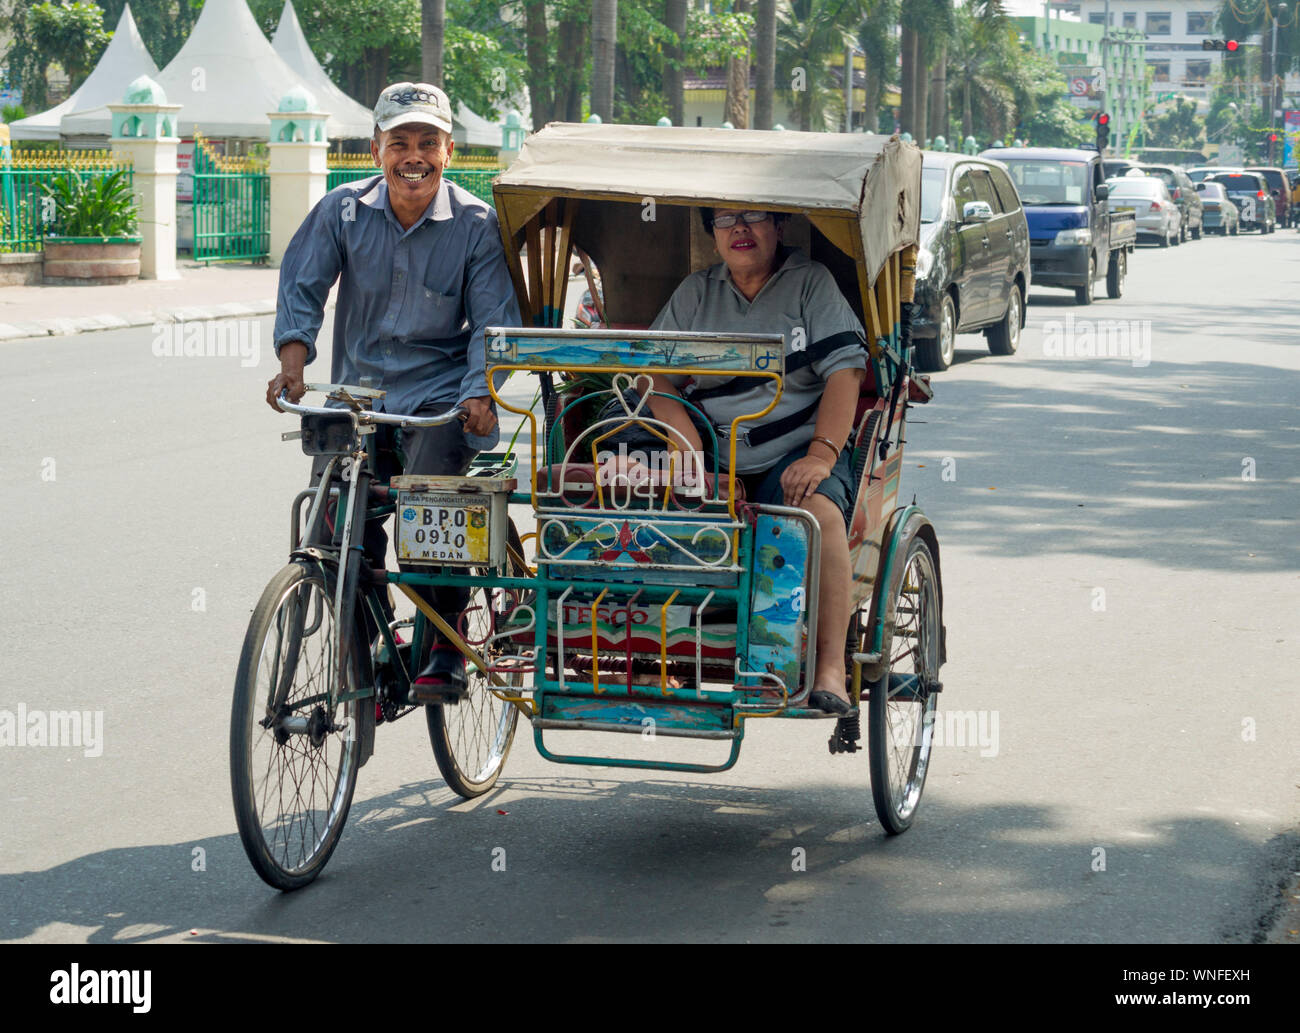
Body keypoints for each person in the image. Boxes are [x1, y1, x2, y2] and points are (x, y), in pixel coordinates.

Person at [266, 82, 521, 701]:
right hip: (357, 398)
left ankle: (443, 644)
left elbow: (492, 325)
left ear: (448, 150)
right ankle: (373, 643)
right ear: (376, 150)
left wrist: (480, 394)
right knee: (333, 526)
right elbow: (304, 284)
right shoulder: (342, 210)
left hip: (440, 398)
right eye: (400, 142)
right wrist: (293, 364)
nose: (414, 157)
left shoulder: (475, 225)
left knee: (431, 503)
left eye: (427, 143)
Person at [641, 207, 867, 714]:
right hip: (712, 454)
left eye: (753, 217)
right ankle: (659, 650)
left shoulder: (810, 282)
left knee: (818, 517)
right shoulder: (697, 291)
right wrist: (686, 443)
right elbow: (650, 372)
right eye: (725, 220)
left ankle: (831, 665)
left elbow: (847, 370)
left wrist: (820, 455)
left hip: (795, 449)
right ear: (713, 234)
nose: (739, 230)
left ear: (779, 227)